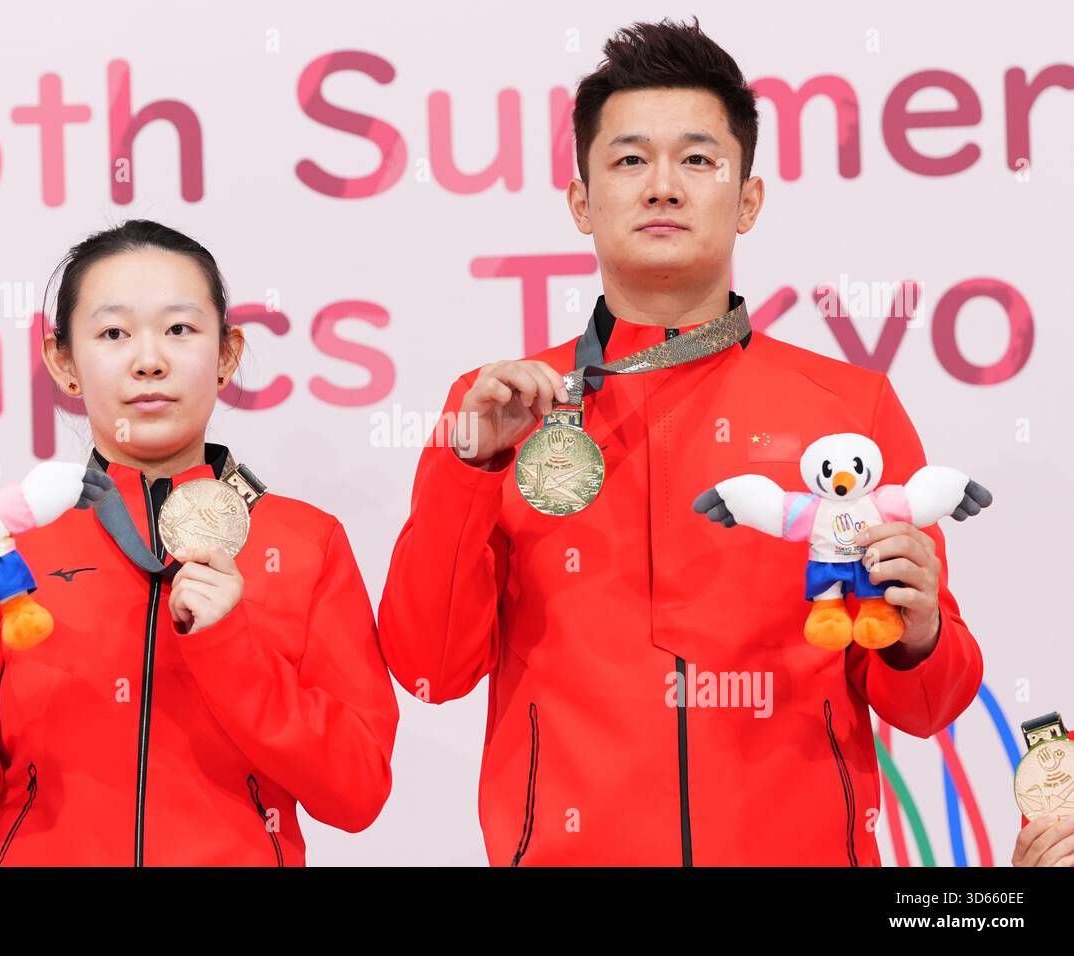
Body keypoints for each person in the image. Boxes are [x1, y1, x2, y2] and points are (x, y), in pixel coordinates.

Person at [377, 18, 983, 865]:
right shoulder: (500, 410)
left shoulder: (851, 409)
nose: (662, 186)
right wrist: (471, 468)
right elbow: (429, 670)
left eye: (698, 160)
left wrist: (918, 636)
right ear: (581, 202)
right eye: (630, 160)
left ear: (748, 200)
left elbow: (930, 706)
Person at [0, 219, 398, 865]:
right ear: (63, 363)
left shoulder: (305, 541)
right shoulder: (1, 541)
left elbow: (357, 793)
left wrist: (230, 648)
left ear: (228, 354)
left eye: (180, 329)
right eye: (113, 333)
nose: (149, 360)